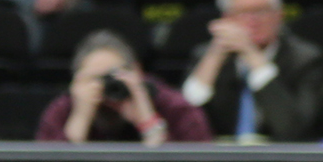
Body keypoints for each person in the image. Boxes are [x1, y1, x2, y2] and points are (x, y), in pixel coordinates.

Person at [182, 0, 323, 141]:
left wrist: (254, 57)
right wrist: (214, 57)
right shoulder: (206, 57)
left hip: (279, 159)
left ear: (279, 15)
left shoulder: (305, 59)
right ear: (227, 18)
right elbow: (184, 123)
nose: (253, 21)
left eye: (261, 11)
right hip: (220, 159)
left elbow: (293, 130)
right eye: (242, 12)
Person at [37, 30, 211, 145]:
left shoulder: (173, 106)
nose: (105, 87)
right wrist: (80, 118)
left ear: (137, 72)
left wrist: (147, 121)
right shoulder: (64, 108)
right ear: (76, 81)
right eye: (95, 79)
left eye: (113, 77)